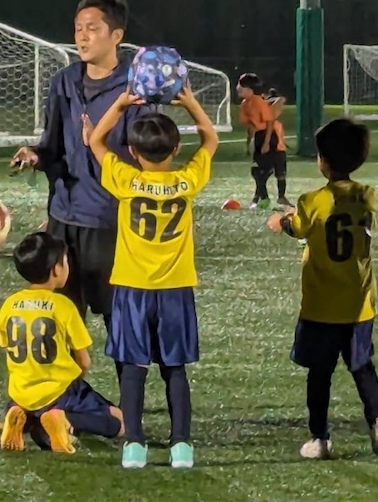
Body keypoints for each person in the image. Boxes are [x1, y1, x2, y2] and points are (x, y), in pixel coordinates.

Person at [10, 0, 153, 379]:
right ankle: (66, 404)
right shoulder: (63, 82)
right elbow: (52, 144)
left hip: (109, 222)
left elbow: (146, 159)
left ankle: (130, 407)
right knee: (61, 320)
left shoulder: (135, 89)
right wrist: (35, 155)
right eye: (78, 29)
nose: (83, 37)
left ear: (116, 35)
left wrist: (101, 148)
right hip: (63, 220)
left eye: (93, 29)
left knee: (117, 320)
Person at [89, 86, 218, 469]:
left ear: (132, 152)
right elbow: (210, 139)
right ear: (176, 150)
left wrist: (122, 103)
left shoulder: (125, 180)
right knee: (174, 368)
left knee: (133, 368)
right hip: (176, 288)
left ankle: (135, 445)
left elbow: (96, 141)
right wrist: (191, 102)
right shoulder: (187, 180)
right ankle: (181, 446)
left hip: (132, 288)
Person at [266, 118, 378, 460]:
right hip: (359, 303)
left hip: (321, 306)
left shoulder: (311, 200)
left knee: (319, 374)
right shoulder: (368, 197)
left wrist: (282, 220)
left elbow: (299, 227)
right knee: (363, 366)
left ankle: (320, 438)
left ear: (322, 160)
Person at [0, 232, 125, 454]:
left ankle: (23, 416)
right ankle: (64, 419)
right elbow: (84, 361)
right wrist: (76, 383)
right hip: (61, 390)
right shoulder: (63, 306)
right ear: (56, 269)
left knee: (35, 409)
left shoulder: (10, 304)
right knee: (123, 423)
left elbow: (5, 344)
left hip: (21, 391)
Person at [236, 73, 288, 208]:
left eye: (241, 86)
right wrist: (251, 140)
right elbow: (248, 124)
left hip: (268, 136)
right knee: (257, 171)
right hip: (259, 136)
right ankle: (261, 197)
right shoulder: (245, 104)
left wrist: (266, 142)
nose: (238, 88)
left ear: (250, 89)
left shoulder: (259, 102)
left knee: (261, 170)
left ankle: (262, 198)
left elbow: (269, 122)